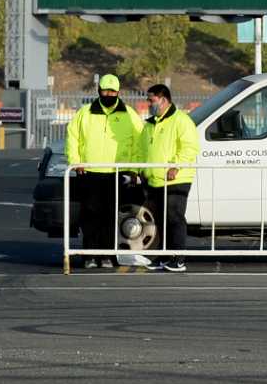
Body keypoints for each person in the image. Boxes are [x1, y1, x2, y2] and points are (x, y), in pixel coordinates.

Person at [62, 73, 145, 270]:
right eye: (105, 90)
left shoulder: (130, 115)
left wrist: (133, 169)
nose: (108, 94)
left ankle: (108, 255)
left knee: (110, 215)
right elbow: (72, 139)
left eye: (112, 91)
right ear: (99, 91)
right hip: (89, 172)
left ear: (118, 92)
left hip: (117, 172)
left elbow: (139, 145)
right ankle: (90, 255)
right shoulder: (85, 113)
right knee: (90, 214)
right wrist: (76, 162)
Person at [139, 84, 200, 272]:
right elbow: (142, 150)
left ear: (164, 100)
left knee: (174, 217)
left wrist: (176, 166)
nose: (149, 104)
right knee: (160, 220)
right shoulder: (149, 125)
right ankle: (164, 256)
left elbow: (190, 147)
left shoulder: (181, 120)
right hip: (155, 179)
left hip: (176, 178)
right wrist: (139, 170)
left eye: (152, 100)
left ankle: (178, 258)